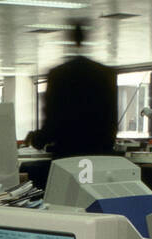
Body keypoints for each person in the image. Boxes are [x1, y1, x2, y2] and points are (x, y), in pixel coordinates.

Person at [38, 22, 118, 160]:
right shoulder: (106, 74)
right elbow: (112, 121)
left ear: (69, 39)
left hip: (68, 154)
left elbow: (52, 121)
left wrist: (39, 139)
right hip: (100, 154)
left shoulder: (58, 75)